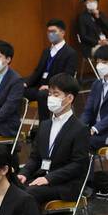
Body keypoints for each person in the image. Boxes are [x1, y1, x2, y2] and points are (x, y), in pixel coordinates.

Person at [18, 74, 91, 207]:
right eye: (50, 93)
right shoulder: (45, 125)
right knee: (10, 188)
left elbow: (78, 165)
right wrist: (24, 173)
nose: (51, 98)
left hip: (65, 184)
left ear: (69, 98)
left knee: (29, 194)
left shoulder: (80, 129)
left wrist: (48, 178)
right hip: (42, 177)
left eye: (56, 94)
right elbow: (35, 157)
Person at [25, 21, 80, 124]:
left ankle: (44, 126)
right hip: (40, 86)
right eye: (48, 31)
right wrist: (26, 83)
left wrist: (50, 87)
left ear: (62, 33)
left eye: (53, 31)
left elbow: (68, 75)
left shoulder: (70, 53)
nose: (50, 34)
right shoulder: (46, 51)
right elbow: (38, 71)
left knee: (42, 95)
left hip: (56, 89)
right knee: (17, 89)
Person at [77, 0, 108, 70]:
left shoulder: (100, 14)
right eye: (89, 0)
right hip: (93, 45)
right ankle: (105, 74)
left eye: (94, 0)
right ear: (85, 3)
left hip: (107, 42)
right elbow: (83, 36)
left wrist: (98, 17)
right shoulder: (82, 17)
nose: (92, 2)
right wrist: (98, 42)